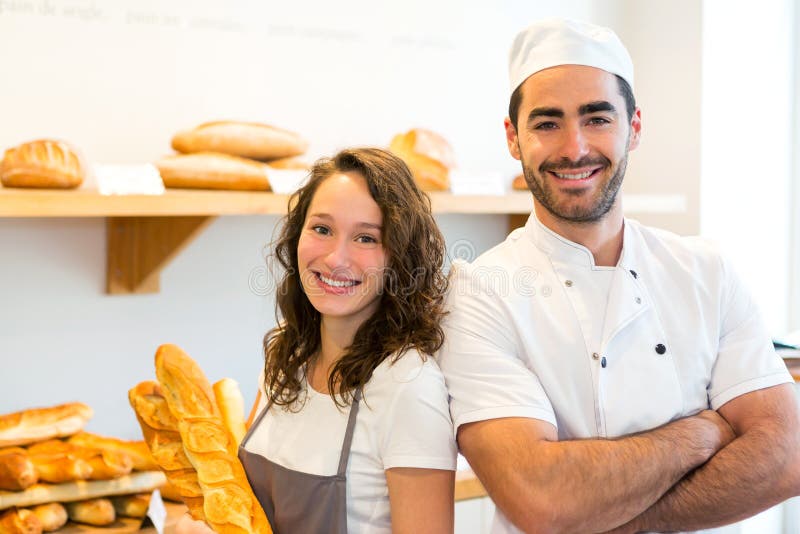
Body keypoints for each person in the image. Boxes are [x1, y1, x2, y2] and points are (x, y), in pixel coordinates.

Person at [437, 18, 800, 534]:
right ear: (513, 138)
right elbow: (538, 499)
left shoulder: (707, 272)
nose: (574, 147)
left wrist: (595, 516)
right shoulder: (478, 292)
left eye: (597, 118)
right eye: (547, 124)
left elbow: (786, 456)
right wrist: (699, 435)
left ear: (634, 127)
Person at [178, 147, 456, 534]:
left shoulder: (408, 385)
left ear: (399, 258)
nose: (335, 258)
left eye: (366, 238)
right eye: (322, 229)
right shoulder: (286, 354)